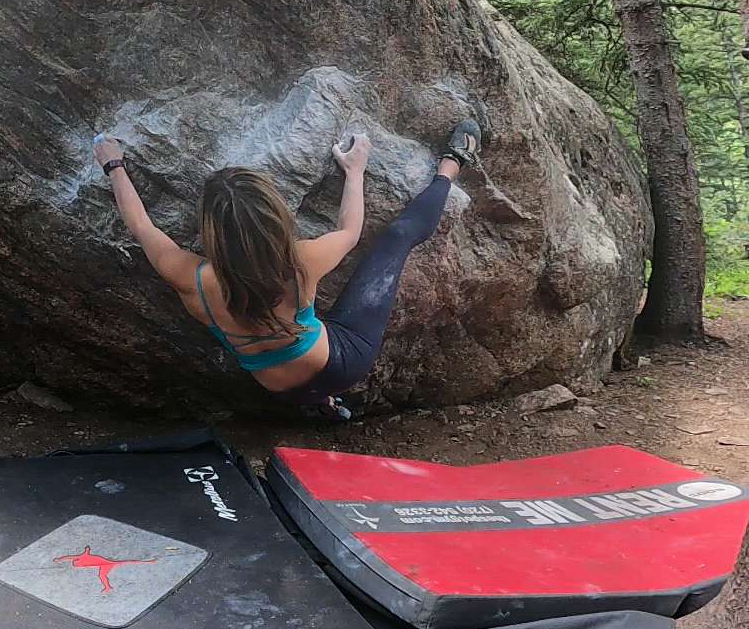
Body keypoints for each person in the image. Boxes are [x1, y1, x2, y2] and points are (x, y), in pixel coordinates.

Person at [93, 120, 480, 420]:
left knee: (291, 370)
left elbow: (141, 225)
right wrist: (355, 171)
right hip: (342, 363)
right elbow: (350, 230)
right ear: (275, 219)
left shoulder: (189, 277)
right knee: (396, 238)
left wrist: (114, 165)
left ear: (210, 230)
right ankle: (450, 165)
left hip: (278, 388)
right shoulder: (299, 263)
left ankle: (323, 404)